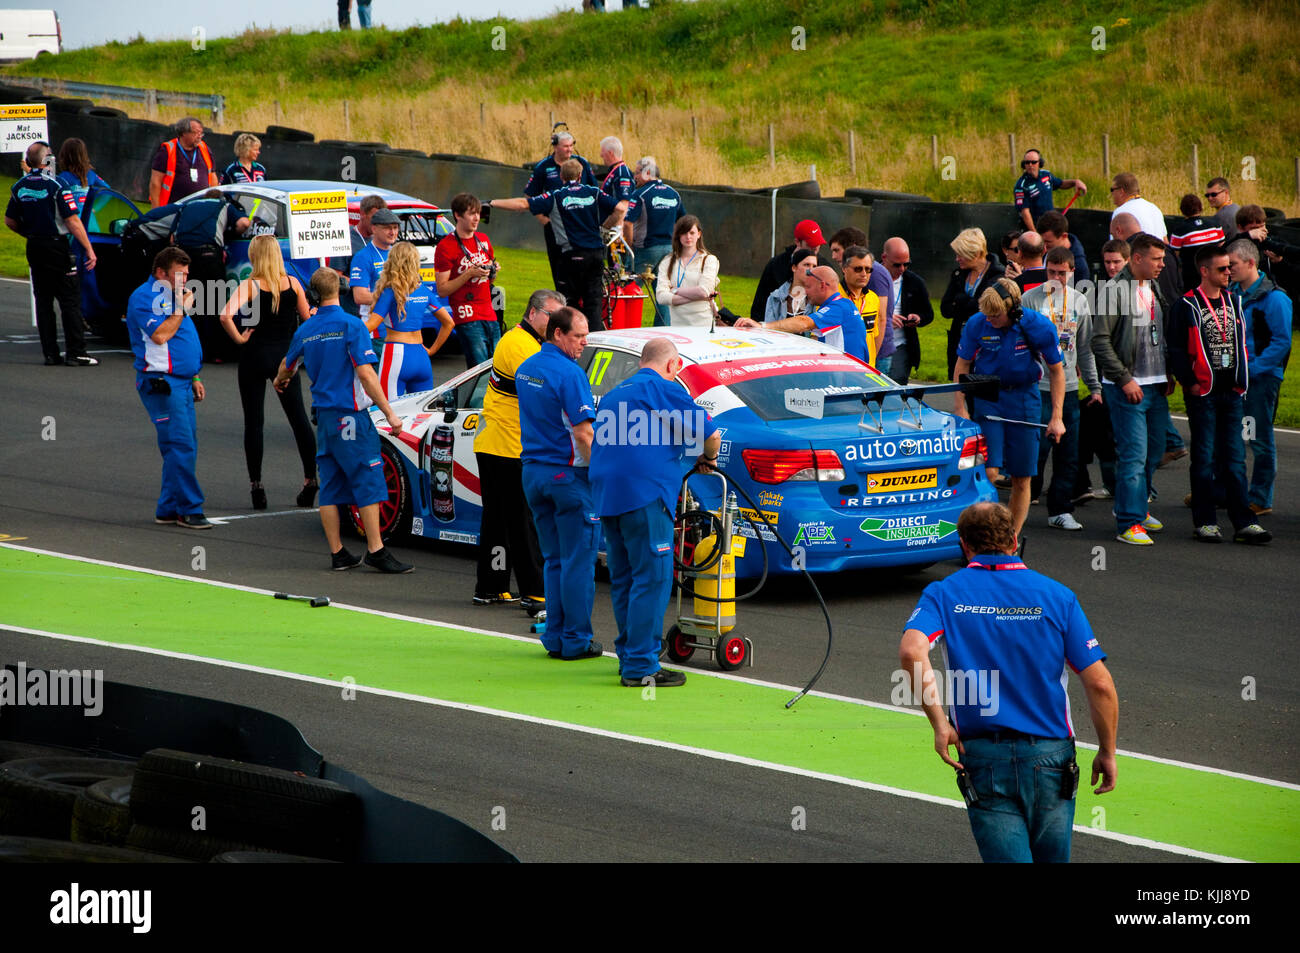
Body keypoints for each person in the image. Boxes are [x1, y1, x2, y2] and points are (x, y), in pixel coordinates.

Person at [898, 501, 1118, 864]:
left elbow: (911, 651)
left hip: (984, 755)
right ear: (1014, 540)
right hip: (1050, 755)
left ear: (964, 545)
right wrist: (1107, 751)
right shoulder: (1058, 596)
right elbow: (1100, 686)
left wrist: (939, 724)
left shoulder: (943, 592)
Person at [591, 337, 721, 688]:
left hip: (608, 496)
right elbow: (709, 434)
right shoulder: (663, 387)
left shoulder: (617, 393)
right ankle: (641, 666)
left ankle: (629, 655)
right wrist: (707, 457)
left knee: (625, 579)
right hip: (645, 496)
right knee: (652, 579)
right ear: (670, 366)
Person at [273, 267, 412, 573]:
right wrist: (389, 412)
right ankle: (376, 549)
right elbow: (366, 373)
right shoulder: (352, 325)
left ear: (313, 295)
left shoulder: (306, 328)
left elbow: (287, 365)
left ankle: (338, 552)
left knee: (332, 484)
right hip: (351, 415)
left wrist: (280, 380)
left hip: (325, 416)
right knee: (368, 477)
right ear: (342, 290)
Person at [1166, 246, 1271, 544]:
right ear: (1205, 271)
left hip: (1232, 392)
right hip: (1203, 393)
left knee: (1236, 459)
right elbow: (1175, 348)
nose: (1229, 272)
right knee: (1203, 458)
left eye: (1229, 268)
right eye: (1223, 269)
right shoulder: (1186, 305)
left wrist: (1242, 379)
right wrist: (1190, 382)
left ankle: (1244, 523)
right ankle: (1205, 522)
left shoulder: (1234, 301)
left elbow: (1241, 343)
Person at [516, 307, 602, 661]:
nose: (585, 342)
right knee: (578, 562)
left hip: (534, 473)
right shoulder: (570, 374)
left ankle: (555, 636)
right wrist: (601, 474)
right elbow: (584, 433)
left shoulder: (527, 368)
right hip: (567, 476)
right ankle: (577, 640)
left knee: (554, 560)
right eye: (578, 336)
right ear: (556, 334)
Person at [952, 278, 1065, 536]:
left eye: (996, 316)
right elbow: (962, 365)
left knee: (1022, 476)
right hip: (988, 396)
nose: (989, 319)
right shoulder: (977, 323)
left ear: (1013, 310)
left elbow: (1056, 372)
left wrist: (1056, 417)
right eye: (986, 315)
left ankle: (1009, 540)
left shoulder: (1039, 327)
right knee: (987, 472)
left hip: (1024, 397)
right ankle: (981, 536)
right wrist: (961, 407)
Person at [473, 290, 562, 609]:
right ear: (534, 313)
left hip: (500, 443)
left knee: (500, 519)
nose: (556, 324)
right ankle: (536, 592)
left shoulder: (526, 341)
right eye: (553, 316)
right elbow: (547, 387)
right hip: (506, 446)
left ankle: (491, 586)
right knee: (523, 521)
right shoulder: (519, 344)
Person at [219, 235, 317, 511]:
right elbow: (308, 321)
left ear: (255, 257)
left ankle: (257, 486)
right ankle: (311, 479)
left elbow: (225, 315)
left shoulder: (250, 285)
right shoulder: (293, 284)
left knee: (254, 422)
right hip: (284, 359)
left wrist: (239, 338)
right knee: (298, 419)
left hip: (254, 354)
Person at [1090, 233, 1173, 545]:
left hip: (1155, 384)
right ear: (1137, 258)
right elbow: (1099, 340)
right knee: (1134, 455)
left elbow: (1159, 333)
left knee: (1153, 452)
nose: (1162, 265)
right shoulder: (1113, 292)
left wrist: (1168, 373)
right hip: (1127, 387)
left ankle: (1138, 507)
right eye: (1156, 259)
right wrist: (1124, 379)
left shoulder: (1152, 285)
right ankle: (1128, 521)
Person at [125, 247, 208, 528]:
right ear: (160, 273)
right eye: (179, 274)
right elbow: (160, 335)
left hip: (182, 382)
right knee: (180, 444)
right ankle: (189, 509)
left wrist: (194, 376)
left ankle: (169, 508)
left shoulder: (173, 297)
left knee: (184, 446)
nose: (185, 279)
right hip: (161, 382)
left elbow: (182, 337)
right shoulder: (143, 298)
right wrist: (182, 308)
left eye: (187, 274)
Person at [489, 162, 621, 331]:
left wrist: (492, 203)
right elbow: (620, 208)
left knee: (568, 304)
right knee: (593, 305)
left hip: (571, 256)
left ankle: (571, 342)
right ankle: (596, 345)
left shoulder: (556, 195)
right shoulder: (594, 192)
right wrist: (605, 227)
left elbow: (523, 204)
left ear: (561, 177)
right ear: (581, 176)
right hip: (595, 255)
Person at [1023, 246, 1101, 530]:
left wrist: (1094, 386)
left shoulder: (1080, 302)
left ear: (1072, 271)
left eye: (1062, 272)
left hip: (1068, 387)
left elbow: (1085, 349)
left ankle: (1060, 509)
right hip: (1038, 386)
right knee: (1038, 450)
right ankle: (1024, 501)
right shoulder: (1030, 300)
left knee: (1069, 452)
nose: (1056, 277)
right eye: (1051, 272)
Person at [5, 141, 98, 367]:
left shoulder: (19, 186)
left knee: (44, 301)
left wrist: (30, 233)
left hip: (35, 247)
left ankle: (51, 354)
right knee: (69, 301)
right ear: (46, 160)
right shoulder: (58, 185)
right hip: (57, 246)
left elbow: (10, 221)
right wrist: (89, 248)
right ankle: (76, 353)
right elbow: (73, 221)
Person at [1229, 239, 1292, 517]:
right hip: (1235, 377)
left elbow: (1282, 342)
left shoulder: (1275, 298)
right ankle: (1226, 490)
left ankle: (1260, 497)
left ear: (1251, 263)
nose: (1228, 270)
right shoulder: (1231, 292)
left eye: (1233, 265)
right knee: (1230, 435)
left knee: (1258, 437)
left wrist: (1251, 371)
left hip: (1260, 379)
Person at [171, 188, 251, 362]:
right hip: (208, 256)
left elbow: (172, 237)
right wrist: (229, 233)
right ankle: (217, 354)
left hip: (183, 258)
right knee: (216, 304)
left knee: (188, 305)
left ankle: (192, 351)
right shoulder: (224, 205)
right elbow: (244, 224)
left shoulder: (187, 205)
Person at [368, 241, 452, 398]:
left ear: (392, 262)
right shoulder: (424, 290)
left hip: (396, 355)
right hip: (421, 356)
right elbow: (449, 323)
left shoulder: (389, 292)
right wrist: (432, 350)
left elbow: (371, 325)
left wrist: (347, 327)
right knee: (421, 417)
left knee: (389, 415)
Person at [736, 265, 868, 362]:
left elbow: (804, 323)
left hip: (847, 380)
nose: (805, 292)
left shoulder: (839, 307)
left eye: (808, 287)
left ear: (822, 286)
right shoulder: (842, 305)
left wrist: (761, 326)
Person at [523, 130, 596, 299]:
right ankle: (564, 299)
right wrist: (543, 219)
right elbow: (529, 195)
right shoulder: (544, 167)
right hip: (555, 226)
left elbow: (594, 191)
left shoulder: (582, 164)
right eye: (565, 146)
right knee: (559, 266)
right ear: (555, 147)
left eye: (571, 146)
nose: (569, 150)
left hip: (580, 225)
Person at [434, 193, 500, 367]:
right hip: (467, 315)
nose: (477, 218)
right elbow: (442, 289)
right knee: (479, 370)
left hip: (489, 312)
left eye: (478, 213)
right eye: (471, 213)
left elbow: (490, 281)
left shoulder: (483, 240)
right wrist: (468, 274)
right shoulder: (446, 246)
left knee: (498, 366)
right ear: (457, 215)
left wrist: (493, 271)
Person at [622, 156, 683, 326]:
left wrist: (630, 245)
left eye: (636, 173)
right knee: (663, 291)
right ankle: (663, 330)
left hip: (645, 249)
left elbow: (627, 223)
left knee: (629, 288)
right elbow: (683, 221)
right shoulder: (673, 193)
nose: (634, 177)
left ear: (647, 173)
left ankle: (625, 325)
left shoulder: (639, 194)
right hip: (669, 250)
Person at [940, 227, 1004, 380]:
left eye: (960, 255)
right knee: (962, 386)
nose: (957, 259)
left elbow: (985, 308)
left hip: (986, 343)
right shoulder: (958, 274)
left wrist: (961, 301)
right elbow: (945, 309)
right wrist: (971, 304)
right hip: (960, 340)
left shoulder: (997, 274)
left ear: (975, 254)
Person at [749, 219, 828, 321]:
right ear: (797, 242)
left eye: (818, 244)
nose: (815, 248)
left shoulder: (825, 268)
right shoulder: (776, 265)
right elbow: (760, 304)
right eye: (810, 244)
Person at [879, 237, 933, 385]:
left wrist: (918, 318)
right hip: (875, 342)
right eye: (897, 265)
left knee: (895, 385)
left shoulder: (914, 282)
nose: (902, 269)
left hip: (900, 344)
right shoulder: (871, 277)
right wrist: (886, 319)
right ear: (884, 258)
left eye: (906, 264)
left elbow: (928, 314)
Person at [655, 215, 719, 328]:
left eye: (692, 233)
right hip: (677, 325)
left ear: (699, 234)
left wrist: (674, 290)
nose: (688, 237)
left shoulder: (709, 260)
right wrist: (698, 296)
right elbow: (661, 297)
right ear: (678, 235)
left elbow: (703, 292)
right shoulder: (667, 261)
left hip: (703, 325)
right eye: (684, 233)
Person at [1013, 149, 1088, 232]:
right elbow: (1025, 213)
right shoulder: (1021, 185)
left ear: (1040, 163)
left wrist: (1076, 182)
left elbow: (1061, 184)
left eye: (1033, 162)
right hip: (1034, 228)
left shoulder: (1046, 175)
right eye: (1027, 162)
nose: (1030, 165)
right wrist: (1035, 233)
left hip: (1050, 226)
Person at [150, 117, 218, 207]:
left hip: (200, 206)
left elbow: (213, 178)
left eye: (201, 133)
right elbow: (155, 182)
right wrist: (156, 210)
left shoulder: (205, 149)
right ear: (183, 133)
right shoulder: (167, 150)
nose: (199, 136)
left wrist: (213, 203)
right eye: (195, 133)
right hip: (172, 207)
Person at [1167, 194, 1225, 295]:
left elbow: (1174, 255)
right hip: (1216, 273)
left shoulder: (1179, 231)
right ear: (1201, 208)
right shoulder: (1215, 225)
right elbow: (1222, 246)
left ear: (1182, 210)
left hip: (1192, 277)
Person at [350, 206, 399, 323]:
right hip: (376, 329)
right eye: (387, 228)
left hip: (398, 327)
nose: (393, 232)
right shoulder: (363, 256)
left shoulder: (398, 253)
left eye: (395, 228)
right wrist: (396, 297)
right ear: (374, 229)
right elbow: (360, 296)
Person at [836, 246, 884, 364]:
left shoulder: (873, 298)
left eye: (868, 269)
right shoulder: (832, 297)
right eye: (858, 269)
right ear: (844, 268)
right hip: (841, 368)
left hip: (866, 370)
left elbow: (874, 336)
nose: (864, 274)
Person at [762, 247, 818, 324]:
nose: (811, 270)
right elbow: (768, 330)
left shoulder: (818, 299)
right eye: (807, 265)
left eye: (814, 266)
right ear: (794, 268)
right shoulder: (775, 298)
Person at [55, 138, 109, 215]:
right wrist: (95, 208)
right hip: (89, 220)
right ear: (84, 155)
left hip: (72, 219)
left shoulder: (62, 177)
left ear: (64, 156)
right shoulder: (91, 174)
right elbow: (107, 190)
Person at [1035, 210, 1090, 282]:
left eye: (1048, 242)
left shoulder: (1079, 267)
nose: (1043, 246)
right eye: (1041, 241)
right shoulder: (1043, 250)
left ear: (1064, 236)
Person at [1108, 172, 1166, 241]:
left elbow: (1116, 246)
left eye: (1112, 190)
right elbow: (1165, 241)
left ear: (1121, 191)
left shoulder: (1120, 212)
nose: (1111, 194)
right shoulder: (1155, 208)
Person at [1205, 177, 1241, 242]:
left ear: (1226, 193)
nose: (1210, 198)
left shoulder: (1221, 217)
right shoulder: (1237, 207)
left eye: (1214, 194)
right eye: (1207, 195)